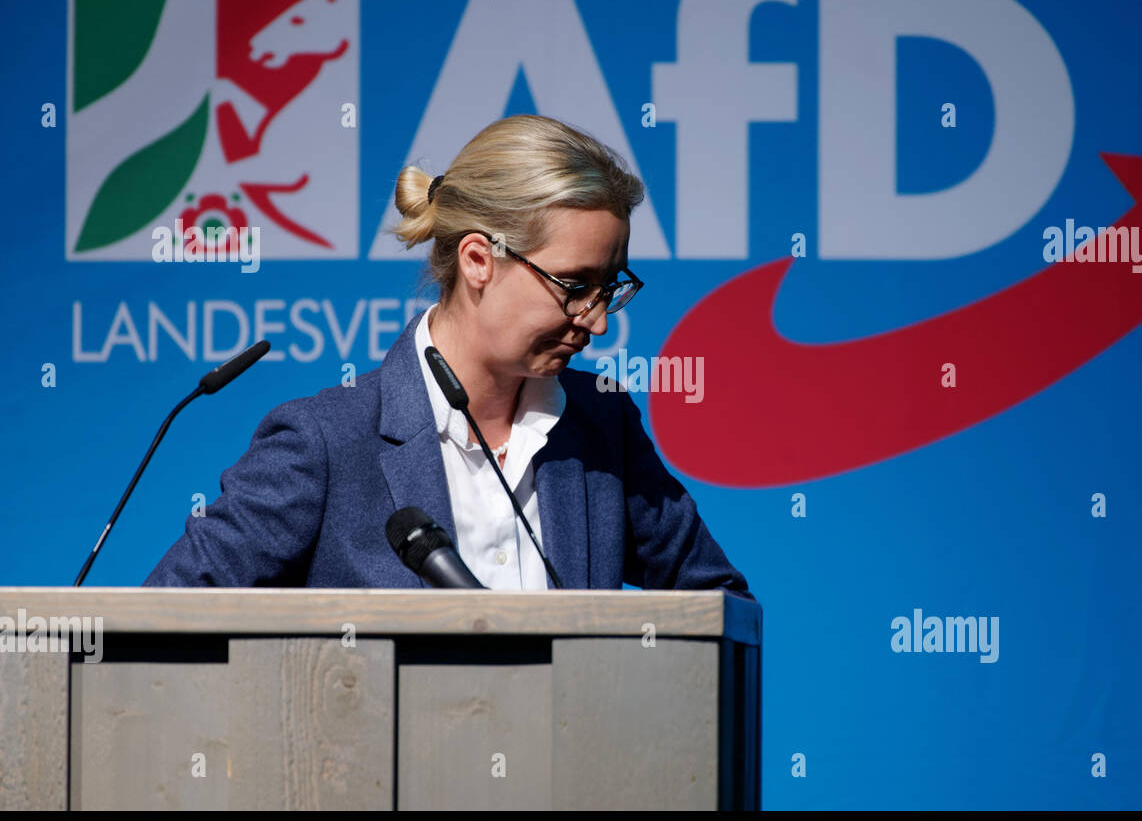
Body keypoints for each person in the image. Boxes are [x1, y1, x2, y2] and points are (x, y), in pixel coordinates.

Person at [143, 114, 752, 597]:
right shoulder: (324, 443)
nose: (594, 320)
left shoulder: (604, 426)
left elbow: (723, 607)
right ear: (478, 261)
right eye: (573, 287)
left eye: (610, 288)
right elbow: (160, 625)